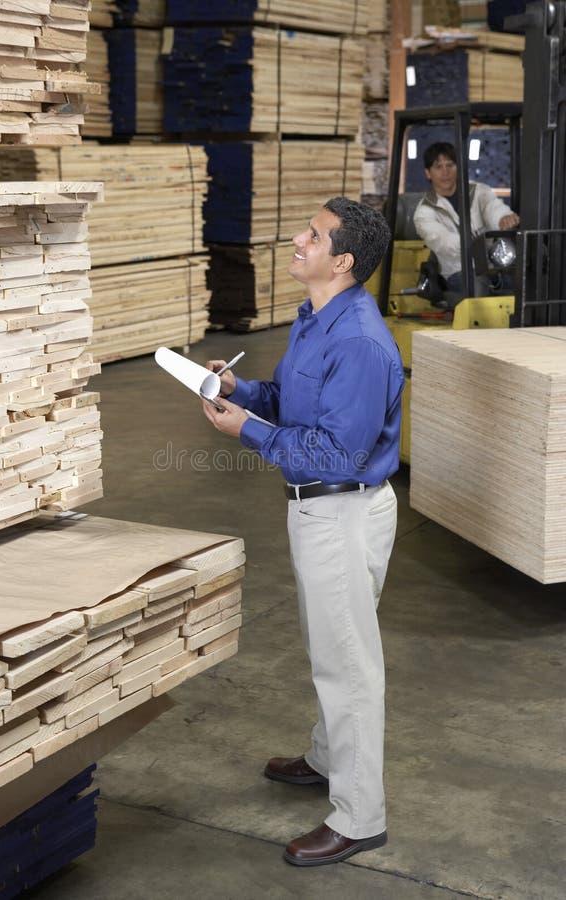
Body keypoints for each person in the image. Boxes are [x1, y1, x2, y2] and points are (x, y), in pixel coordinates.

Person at [202, 197, 404, 867]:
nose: (298, 238)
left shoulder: (360, 342)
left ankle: (360, 816)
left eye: (313, 236)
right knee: (331, 646)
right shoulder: (318, 318)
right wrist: (242, 392)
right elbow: (295, 402)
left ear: (342, 262)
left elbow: (338, 452)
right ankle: (325, 757)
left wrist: (248, 432)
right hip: (317, 510)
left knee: (348, 666)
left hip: (342, 510)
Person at [413, 141, 520, 300]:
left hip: (492, 265)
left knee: (522, 279)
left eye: (450, 165)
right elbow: (445, 243)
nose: (445, 172)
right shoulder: (424, 212)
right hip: (457, 271)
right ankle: (480, 317)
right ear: (428, 173)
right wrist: (477, 244)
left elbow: (493, 208)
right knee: (478, 283)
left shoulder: (478, 191)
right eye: (438, 167)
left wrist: (504, 218)